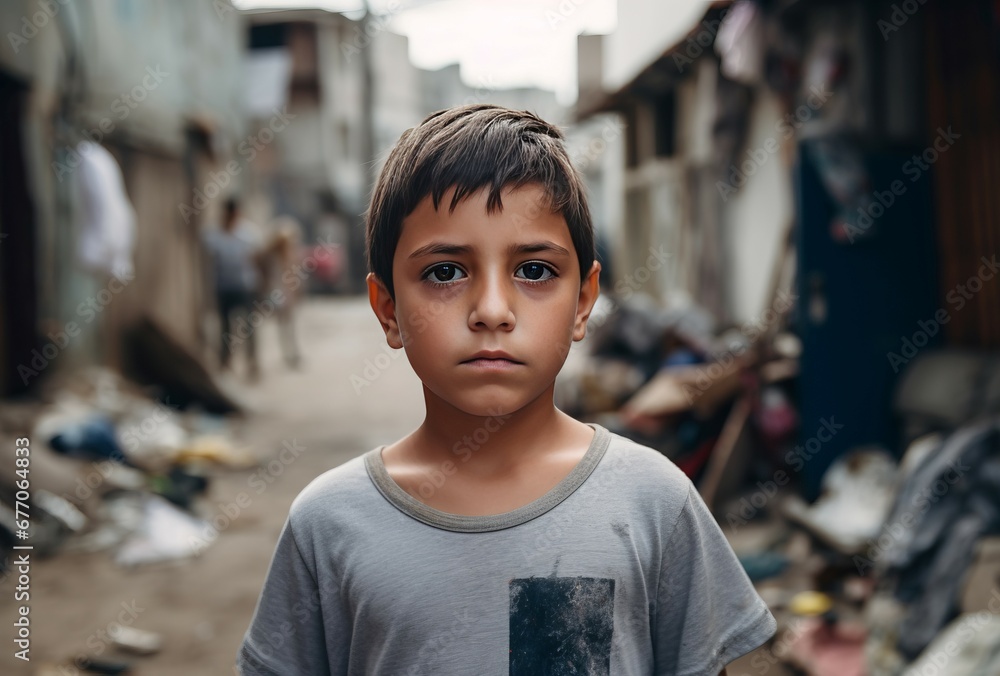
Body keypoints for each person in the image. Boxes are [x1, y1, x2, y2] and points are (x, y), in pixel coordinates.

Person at [237, 105, 776, 675]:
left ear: (583, 301)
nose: (492, 311)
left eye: (535, 271)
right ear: (389, 309)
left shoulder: (654, 504)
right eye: (445, 272)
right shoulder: (328, 525)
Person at [203, 197, 262, 381]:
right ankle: (225, 363)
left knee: (249, 327)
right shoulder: (213, 235)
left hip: (245, 286)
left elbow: (257, 259)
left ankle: (252, 363)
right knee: (225, 328)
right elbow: (208, 262)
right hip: (224, 287)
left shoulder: (248, 234)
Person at [259, 216, 304, 369]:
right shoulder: (273, 257)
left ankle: (291, 353)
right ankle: (289, 353)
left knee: (288, 325)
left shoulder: (288, 256)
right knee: (285, 325)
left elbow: (293, 277)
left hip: (284, 293)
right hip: (278, 293)